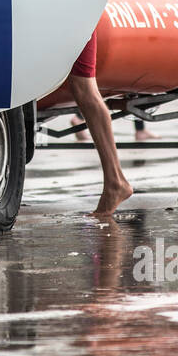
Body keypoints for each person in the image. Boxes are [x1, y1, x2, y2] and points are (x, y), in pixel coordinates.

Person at [66, 31, 134, 217]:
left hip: (73, 15)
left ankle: (116, 181)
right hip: (66, 13)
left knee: (84, 88)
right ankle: (116, 180)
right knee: (84, 88)